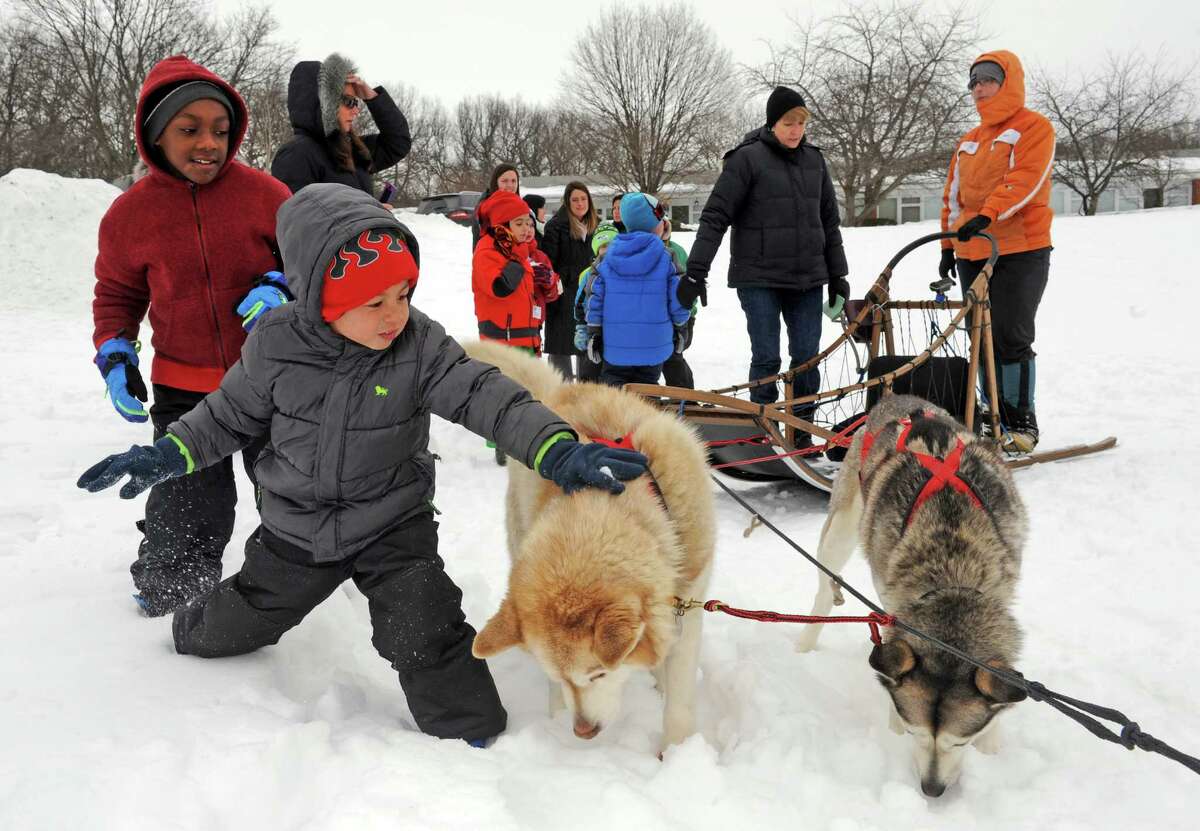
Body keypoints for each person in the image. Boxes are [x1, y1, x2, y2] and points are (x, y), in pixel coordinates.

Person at [77, 184, 650, 747]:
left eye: (403, 294)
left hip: (391, 523)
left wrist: (558, 448)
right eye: (374, 302)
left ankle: (475, 738)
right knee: (246, 613)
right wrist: (166, 453)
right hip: (296, 528)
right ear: (319, 297)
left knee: (423, 625)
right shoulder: (275, 344)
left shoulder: (419, 346)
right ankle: (190, 632)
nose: (394, 315)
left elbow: (487, 396)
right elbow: (224, 417)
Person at [90, 55, 292, 617]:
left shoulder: (267, 195)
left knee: (290, 491)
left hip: (269, 380)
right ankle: (175, 587)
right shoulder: (129, 216)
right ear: (155, 135)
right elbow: (117, 295)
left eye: (221, 131)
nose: (209, 143)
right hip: (183, 385)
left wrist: (280, 284)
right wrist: (115, 352)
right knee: (188, 499)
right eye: (189, 129)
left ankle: (302, 581)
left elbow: (312, 264)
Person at [679, 86, 849, 445]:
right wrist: (696, 270)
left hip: (807, 278)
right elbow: (715, 217)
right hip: (758, 278)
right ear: (773, 123)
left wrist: (838, 276)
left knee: (806, 358)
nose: (796, 130)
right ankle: (764, 432)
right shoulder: (746, 160)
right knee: (767, 357)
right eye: (789, 122)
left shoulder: (815, 162)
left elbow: (829, 223)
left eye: (802, 123)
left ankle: (801, 435)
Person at [939, 51, 1053, 453]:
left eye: (988, 79)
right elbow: (952, 198)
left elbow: (1025, 180)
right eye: (973, 81)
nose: (979, 88)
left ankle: (1021, 421)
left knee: (1010, 335)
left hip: (1022, 249)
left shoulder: (1034, 129)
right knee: (979, 337)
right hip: (973, 252)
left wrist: (986, 215)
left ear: (1008, 81)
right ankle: (990, 416)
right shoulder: (968, 141)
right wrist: (947, 245)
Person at [585, 193, 691, 387]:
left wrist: (593, 332)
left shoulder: (606, 259)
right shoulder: (667, 258)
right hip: (655, 345)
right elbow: (678, 299)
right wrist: (681, 328)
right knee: (647, 390)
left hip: (615, 346)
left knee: (614, 392)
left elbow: (594, 299)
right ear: (655, 224)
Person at [271, 53, 411, 196]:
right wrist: (366, 214)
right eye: (349, 101)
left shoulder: (353, 151)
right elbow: (295, 216)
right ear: (325, 103)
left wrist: (372, 97)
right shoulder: (297, 154)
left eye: (356, 102)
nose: (356, 111)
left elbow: (398, 143)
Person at [542, 181, 600, 379]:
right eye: (575, 200)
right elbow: (548, 264)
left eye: (583, 199)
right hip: (563, 295)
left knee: (585, 346)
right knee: (561, 350)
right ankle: (561, 395)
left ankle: (585, 393)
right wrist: (576, 273)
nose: (580, 203)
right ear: (567, 202)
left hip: (588, 296)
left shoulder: (596, 226)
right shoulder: (555, 227)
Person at [572, 221, 620, 379]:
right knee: (591, 370)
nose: (607, 251)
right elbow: (580, 303)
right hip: (594, 330)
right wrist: (581, 328)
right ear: (597, 250)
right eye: (603, 246)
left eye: (611, 245)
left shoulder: (622, 270)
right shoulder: (588, 274)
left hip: (616, 331)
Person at [658, 216, 696, 389]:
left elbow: (688, 283)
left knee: (673, 358)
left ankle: (684, 397)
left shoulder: (677, 251)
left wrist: (688, 311)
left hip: (679, 316)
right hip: (659, 316)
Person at [470, 163, 520, 250]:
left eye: (513, 181)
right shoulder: (487, 208)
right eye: (505, 181)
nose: (510, 185)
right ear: (495, 183)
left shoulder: (520, 205)